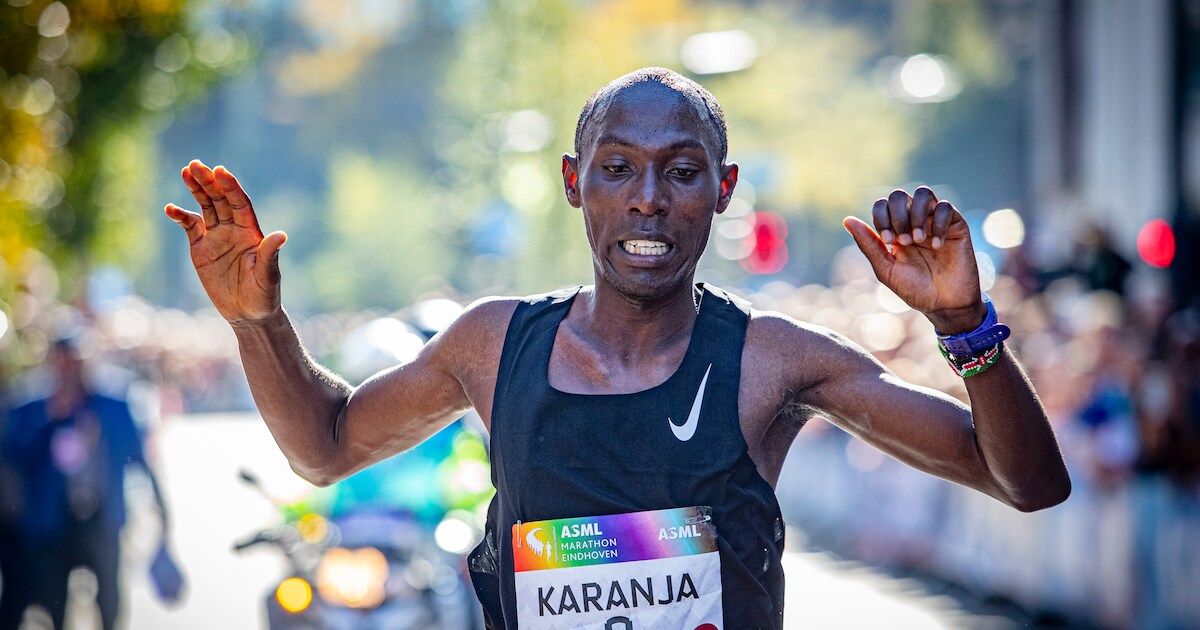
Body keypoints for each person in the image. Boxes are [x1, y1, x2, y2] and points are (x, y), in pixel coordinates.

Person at [165, 67, 1070, 629]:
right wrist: (258, 323)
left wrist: (963, 324)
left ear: (722, 191)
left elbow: (1028, 482)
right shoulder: (493, 345)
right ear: (574, 183)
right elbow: (325, 449)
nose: (647, 199)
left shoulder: (774, 361)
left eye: (680, 172)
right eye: (617, 168)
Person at [2, 336, 170, 630]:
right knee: (54, 603)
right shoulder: (32, 407)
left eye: (75, 362)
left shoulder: (113, 407)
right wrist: (50, 419)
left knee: (109, 603)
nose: (68, 370)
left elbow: (141, 461)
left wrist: (163, 515)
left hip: (102, 519)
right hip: (52, 525)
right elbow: (14, 458)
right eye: (61, 363)